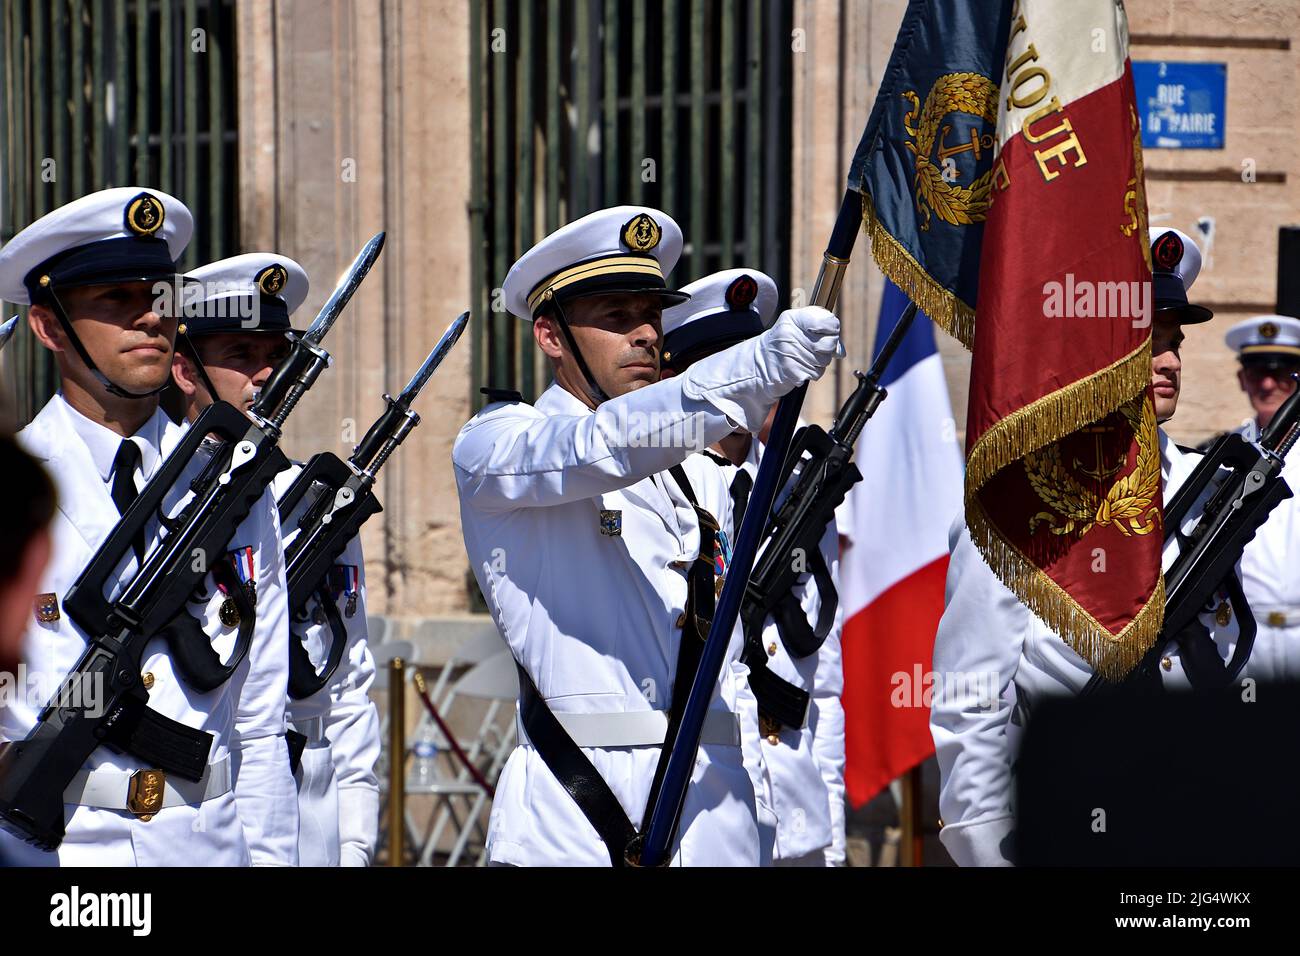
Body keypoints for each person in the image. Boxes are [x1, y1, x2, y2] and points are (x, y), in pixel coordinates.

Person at [452, 206, 841, 865]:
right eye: (614, 316)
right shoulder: (499, 445)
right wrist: (752, 370)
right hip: (575, 827)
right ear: (550, 336)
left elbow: (748, 671)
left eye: (650, 315)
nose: (643, 335)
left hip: (721, 823)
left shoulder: (700, 476)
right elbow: (604, 445)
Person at [0, 187, 297, 865]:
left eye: (160, 299)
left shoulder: (231, 485)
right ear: (49, 328)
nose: (149, 320)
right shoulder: (14, 488)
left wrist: (275, 857)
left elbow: (261, 714)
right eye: (115, 301)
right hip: (65, 849)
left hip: (211, 841)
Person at [930, 226, 1238, 866]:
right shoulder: (1020, 497)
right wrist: (987, 848)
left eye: (1174, 343)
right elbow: (973, 696)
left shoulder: (1210, 493)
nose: (1171, 361)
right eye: (1147, 341)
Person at [171, 253, 381, 865]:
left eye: (276, 357)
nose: (266, 375)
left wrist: (355, 840)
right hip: (199, 808)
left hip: (313, 812)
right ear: (185, 369)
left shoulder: (313, 500)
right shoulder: (151, 497)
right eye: (240, 357)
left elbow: (349, 682)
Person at [661, 268, 846, 865]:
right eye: (719, 365)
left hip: (798, 819)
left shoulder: (799, 494)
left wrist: (833, 835)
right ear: (677, 377)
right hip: (700, 812)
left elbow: (824, 683)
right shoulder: (654, 490)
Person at [1222, 314, 1300, 681]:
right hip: (1246, 637)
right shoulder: (1221, 457)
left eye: (1283, 373)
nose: (1268, 384)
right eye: (1257, 373)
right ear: (1242, 379)